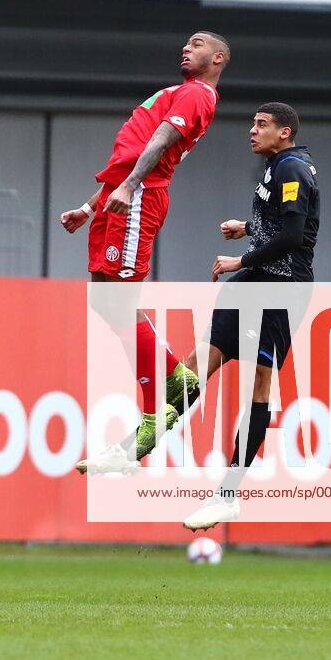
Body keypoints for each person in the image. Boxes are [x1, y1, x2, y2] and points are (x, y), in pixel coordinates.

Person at [61, 31, 231, 475]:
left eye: (196, 45)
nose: (185, 48)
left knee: (119, 301)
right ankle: (174, 379)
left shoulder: (197, 95)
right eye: (185, 44)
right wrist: (88, 206)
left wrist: (130, 186)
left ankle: (162, 400)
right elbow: (129, 155)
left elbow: (157, 145)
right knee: (104, 299)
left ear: (217, 58)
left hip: (139, 197)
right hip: (120, 194)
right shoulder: (182, 92)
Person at [182, 101, 320, 530]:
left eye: (262, 124)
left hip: (282, 289)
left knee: (261, 383)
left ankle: (228, 492)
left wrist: (238, 260)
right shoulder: (276, 168)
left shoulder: (292, 169)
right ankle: (144, 438)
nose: (252, 130)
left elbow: (295, 237)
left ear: (285, 132)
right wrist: (248, 225)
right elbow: (281, 223)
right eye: (253, 123)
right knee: (198, 361)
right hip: (255, 282)